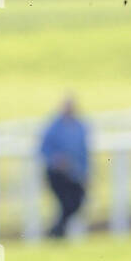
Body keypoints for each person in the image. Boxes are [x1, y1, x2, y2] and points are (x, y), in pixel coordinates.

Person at [39, 94, 89, 239]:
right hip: (57, 174)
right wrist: (56, 160)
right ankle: (57, 231)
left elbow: (84, 152)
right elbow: (43, 149)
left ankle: (56, 231)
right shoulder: (53, 127)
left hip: (74, 174)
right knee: (67, 203)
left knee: (76, 202)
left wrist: (85, 172)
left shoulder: (80, 127)